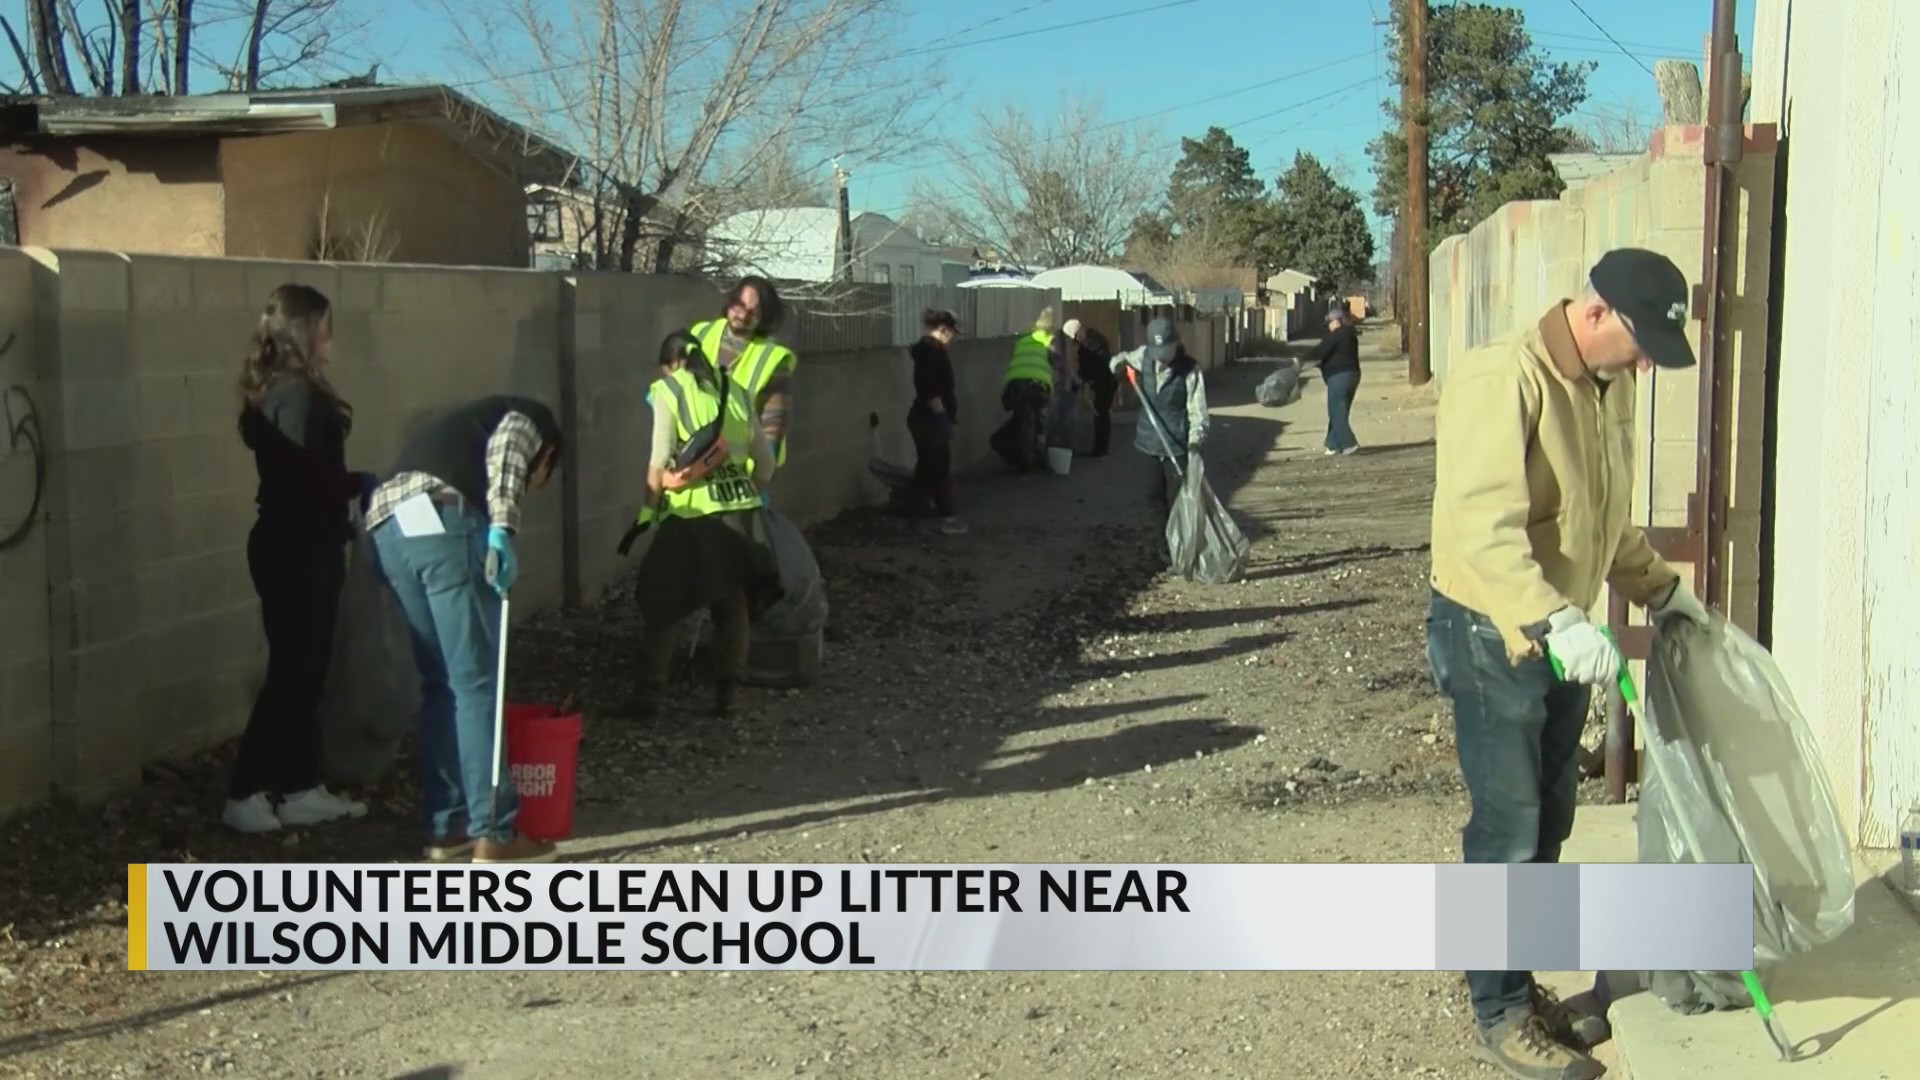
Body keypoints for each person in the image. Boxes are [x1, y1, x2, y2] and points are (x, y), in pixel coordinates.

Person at [1425, 248, 1712, 1080]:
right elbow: (1481, 527)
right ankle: (1500, 1014)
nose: (1648, 363)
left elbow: (1604, 517)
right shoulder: (1502, 379)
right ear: (1595, 316)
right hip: (1495, 631)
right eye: (1642, 343)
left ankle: (1516, 986)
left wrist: (1662, 592)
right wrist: (1552, 616)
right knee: (1508, 830)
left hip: (1559, 637)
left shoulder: (1601, 388)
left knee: (1549, 823)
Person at [366, 395, 566, 866]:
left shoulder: (460, 426)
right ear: (550, 454)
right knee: (477, 686)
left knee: (442, 686)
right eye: (542, 478)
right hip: (445, 521)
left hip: (389, 530)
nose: (534, 485)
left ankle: (446, 828)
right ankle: (494, 833)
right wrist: (502, 528)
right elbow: (508, 453)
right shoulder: (531, 417)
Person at [224, 284, 375, 834]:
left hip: (302, 542)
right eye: (325, 325)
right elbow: (308, 481)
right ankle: (246, 791)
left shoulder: (288, 391)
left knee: (308, 671)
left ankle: (298, 786)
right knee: (292, 674)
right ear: (305, 330)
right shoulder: (296, 396)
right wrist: (356, 485)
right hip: (297, 548)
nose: (332, 337)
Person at [630, 331, 783, 718]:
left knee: (662, 599)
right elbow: (764, 465)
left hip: (693, 518)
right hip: (743, 516)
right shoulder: (736, 389)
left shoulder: (669, 390)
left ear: (670, 364)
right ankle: (727, 696)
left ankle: (651, 694)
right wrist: (747, 492)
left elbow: (659, 459)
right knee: (731, 606)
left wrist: (649, 511)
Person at [1109, 317, 1209, 567]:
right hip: (1147, 442)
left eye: (1165, 350)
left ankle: (1183, 550)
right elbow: (1116, 360)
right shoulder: (1143, 356)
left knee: (1180, 501)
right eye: (1157, 351)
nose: (1161, 356)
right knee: (1153, 499)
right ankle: (1163, 548)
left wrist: (1195, 442)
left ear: (1176, 343)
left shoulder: (1190, 369)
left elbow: (1198, 411)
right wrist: (1119, 367)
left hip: (1178, 444)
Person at [689, 276, 796, 479]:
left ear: (764, 319)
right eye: (740, 305)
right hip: (692, 461)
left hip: (739, 475)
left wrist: (760, 479)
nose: (742, 315)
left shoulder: (772, 359)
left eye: (753, 312)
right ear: (731, 301)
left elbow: (773, 425)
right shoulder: (700, 333)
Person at [907, 308, 966, 535]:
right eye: (952, 333)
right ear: (943, 330)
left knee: (928, 467)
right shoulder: (932, 351)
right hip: (929, 420)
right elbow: (930, 389)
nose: (952, 339)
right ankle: (945, 517)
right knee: (937, 467)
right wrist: (941, 416)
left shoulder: (929, 350)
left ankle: (918, 515)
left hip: (926, 419)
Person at [991, 307, 1057, 471]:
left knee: (1023, 421)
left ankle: (1024, 461)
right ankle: (1038, 461)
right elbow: (1056, 362)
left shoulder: (1021, 341)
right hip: (1038, 385)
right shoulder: (1048, 341)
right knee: (1039, 425)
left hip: (1017, 384)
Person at [1309, 302, 1363, 455]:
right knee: (1340, 410)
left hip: (1339, 377)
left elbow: (1320, 351)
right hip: (1353, 375)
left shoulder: (1337, 335)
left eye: (1329, 323)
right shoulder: (1350, 335)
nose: (1328, 326)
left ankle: (1349, 443)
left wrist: (1301, 360)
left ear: (1337, 321)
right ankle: (1333, 444)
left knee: (1336, 412)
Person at [1074, 322, 1117, 457]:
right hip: (1107, 381)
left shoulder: (1089, 346)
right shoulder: (1095, 340)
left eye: (1075, 337)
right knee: (1101, 414)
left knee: (1101, 415)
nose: (1076, 341)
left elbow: (1089, 367)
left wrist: (1080, 380)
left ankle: (1100, 449)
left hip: (1104, 383)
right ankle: (1100, 448)